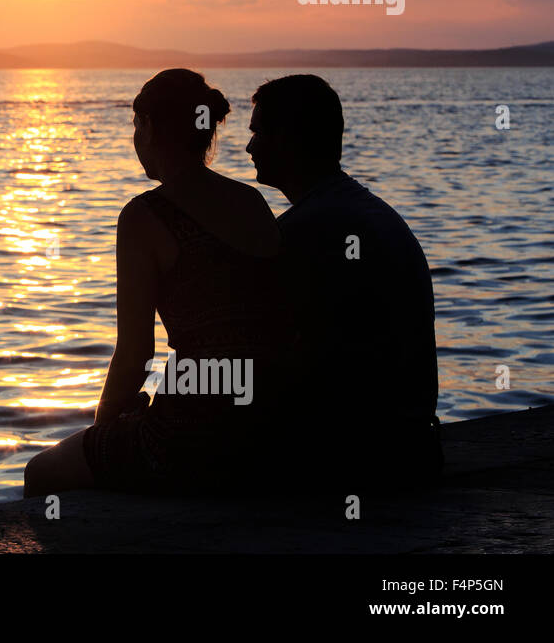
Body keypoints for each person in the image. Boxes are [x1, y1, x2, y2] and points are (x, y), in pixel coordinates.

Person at [24, 69, 295, 497]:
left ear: (147, 126)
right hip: (275, 422)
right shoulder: (253, 202)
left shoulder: (144, 217)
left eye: (136, 125)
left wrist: (103, 431)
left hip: (196, 433)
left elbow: (135, 354)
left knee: (41, 472)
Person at [246, 74, 441, 490]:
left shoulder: (306, 230)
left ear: (290, 139)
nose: (249, 147)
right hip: (410, 443)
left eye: (259, 132)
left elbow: (274, 356)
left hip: (354, 454)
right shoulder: (365, 211)